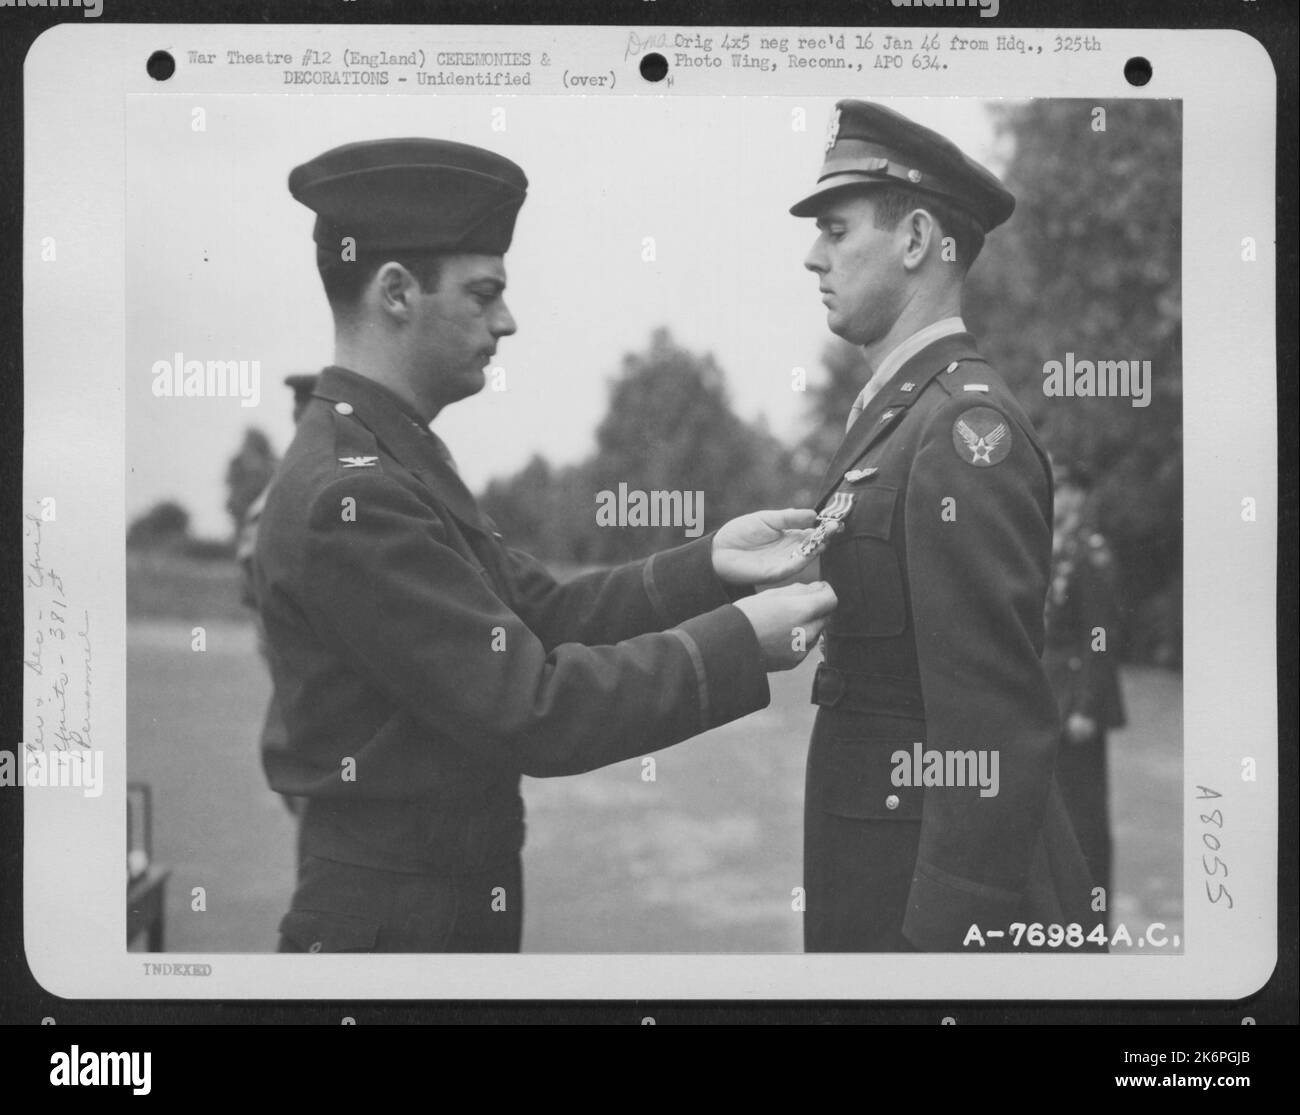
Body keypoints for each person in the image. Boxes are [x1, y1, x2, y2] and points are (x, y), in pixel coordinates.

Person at [250, 137, 838, 953]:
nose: (507, 320)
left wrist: (711, 565)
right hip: (392, 931)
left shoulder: (390, 456)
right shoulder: (352, 494)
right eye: (484, 292)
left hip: (430, 904)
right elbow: (533, 707)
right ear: (394, 293)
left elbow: (542, 611)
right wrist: (742, 642)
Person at [791, 101, 1096, 952]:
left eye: (838, 230)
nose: (814, 255)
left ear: (918, 239)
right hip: (869, 867)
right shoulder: (898, 415)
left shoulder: (964, 433)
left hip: (917, 912)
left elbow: (991, 728)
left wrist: (946, 944)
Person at [1043, 459, 1125, 919]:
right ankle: (1062, 912)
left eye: (1073, 491)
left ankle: (1091, 917)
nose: (1066, 500)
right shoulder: (1057, 549)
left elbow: (1101, 635)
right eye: (1060, 490)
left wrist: (1088, 707)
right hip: (1052, 697)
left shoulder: (1091, 553)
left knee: (1085, 817)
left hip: (1076, 703)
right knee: (1059, 814)